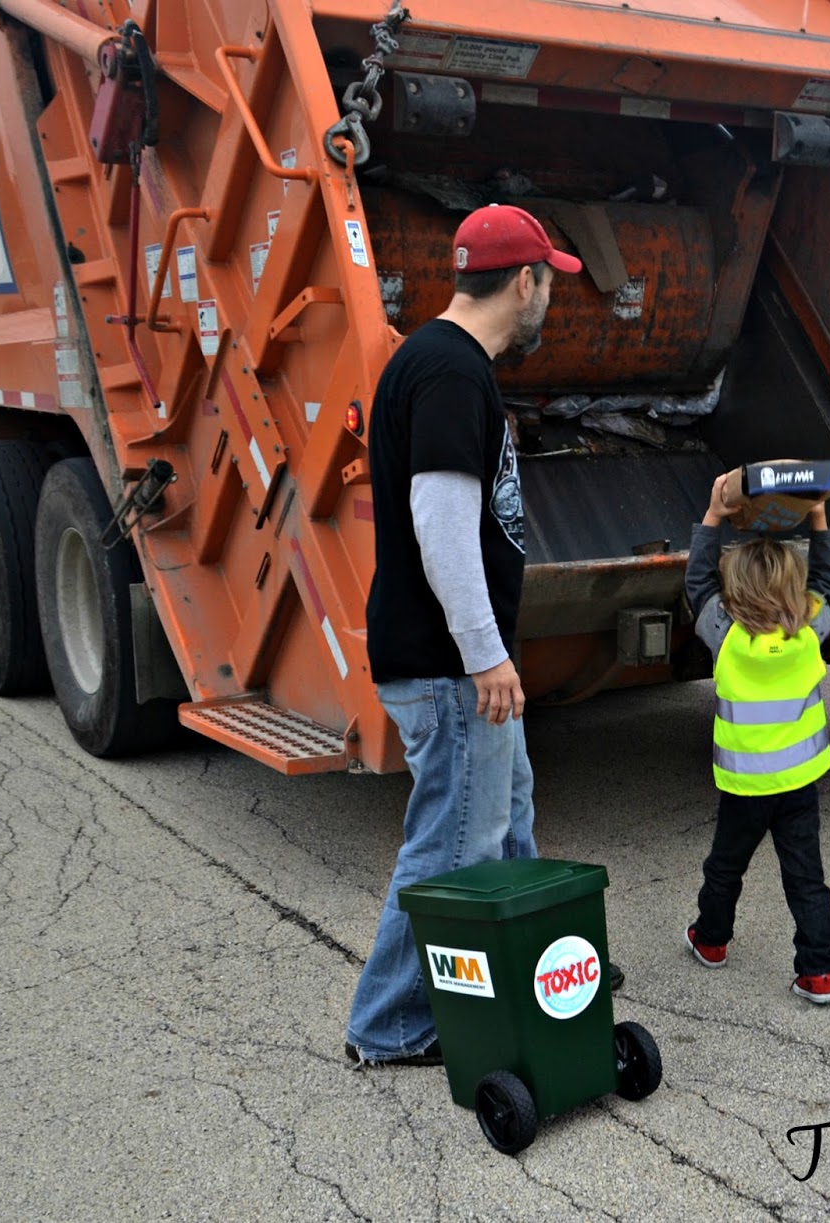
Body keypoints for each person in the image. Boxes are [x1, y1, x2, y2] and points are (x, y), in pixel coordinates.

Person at [347, 204, 582, 1065]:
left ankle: (522, 972)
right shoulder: (450, 371)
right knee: (455, 844)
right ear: (524, 282)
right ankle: (394, 1025)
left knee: (507, 819)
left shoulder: (441, 361)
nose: (548, 294)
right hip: (450, 665)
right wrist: (484, 654)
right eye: (548, 279)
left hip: (465, 661)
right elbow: (441, 524)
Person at [682, 475, 830, 1004]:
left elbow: (697, 582)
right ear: (795, 589)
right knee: (807, 879)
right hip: (799, 784)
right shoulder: (809, 633)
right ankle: (818, 973)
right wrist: (817, 515)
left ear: (734, 594)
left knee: (725, 868)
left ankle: (710, 942)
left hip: (745, 786)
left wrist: (713, 515)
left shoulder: (726, 638)